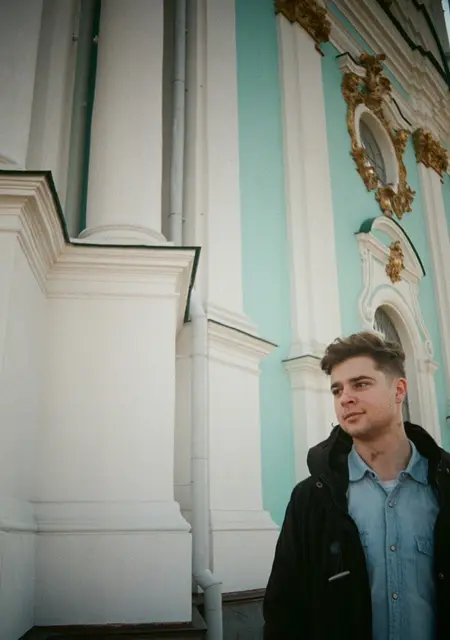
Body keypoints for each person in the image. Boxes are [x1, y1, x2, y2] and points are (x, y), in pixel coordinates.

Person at [263, 331, 450, 640]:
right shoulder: (311, 499)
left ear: (398, 390)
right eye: (337, 390)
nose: (345, 398)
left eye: (360, 384)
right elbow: (284, 612)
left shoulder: (443, 488)